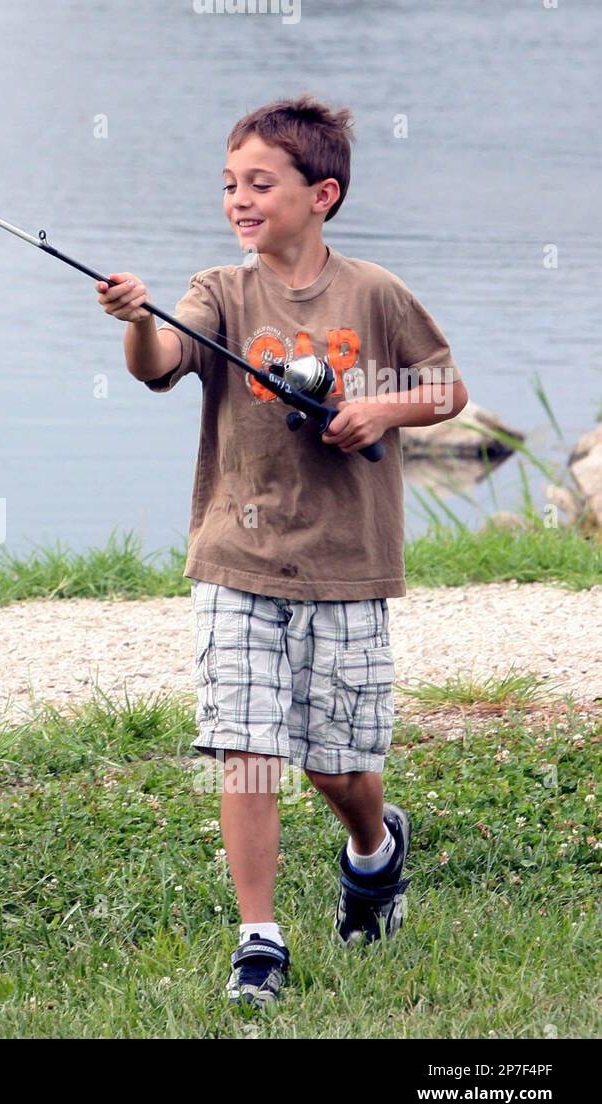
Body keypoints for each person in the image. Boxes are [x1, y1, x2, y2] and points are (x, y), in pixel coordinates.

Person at [96, 95, 468, 1008]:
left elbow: (447, 387)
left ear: (323, 194)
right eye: (229, 184)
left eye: (261, 183)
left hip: (348, 564)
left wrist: (379, 408)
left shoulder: (375, 295)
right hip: (237, 558)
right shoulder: (218, 292)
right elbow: (158, 368)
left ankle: (376, 850)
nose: (239, 200)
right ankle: (258, 940)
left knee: (334, 761)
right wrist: (139, 318)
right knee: (248, 747)